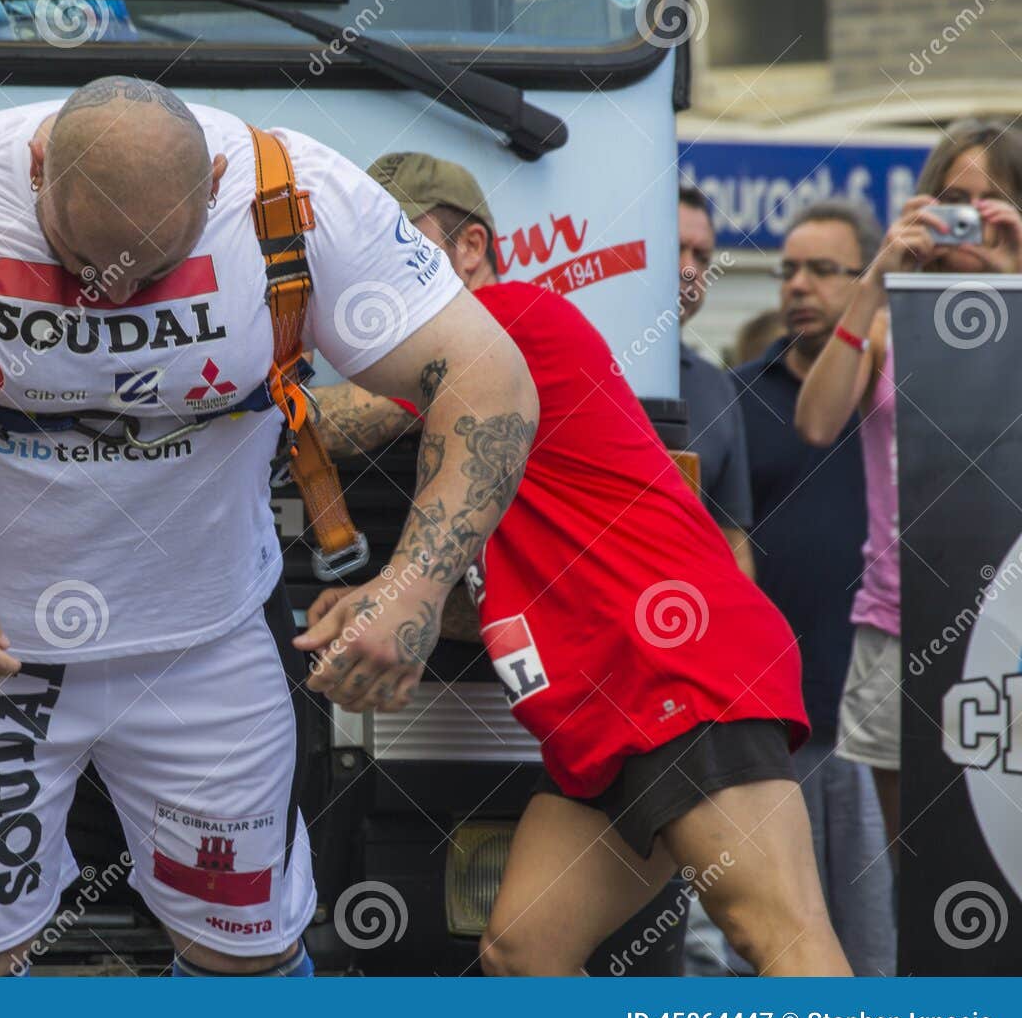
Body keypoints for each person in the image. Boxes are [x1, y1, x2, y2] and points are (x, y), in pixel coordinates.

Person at [0, 78, 536, 977]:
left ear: (216, 182)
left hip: (211, 652)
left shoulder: (300, 196)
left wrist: (415, 584)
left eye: (152, 270)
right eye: (86, 259)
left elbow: (491, 381)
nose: (115, 293)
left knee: (246, 962)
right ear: (36, 166)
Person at [303, 151, 850, 976]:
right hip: (602, 708)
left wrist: (231, 386)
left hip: (674, 670)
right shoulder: (471, 384)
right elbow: (496, 590)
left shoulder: (508, 316)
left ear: (472, 251)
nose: (371, 281)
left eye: (395, 249)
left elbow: (330, 425)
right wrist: (376, 600)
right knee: (522, 948)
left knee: (779, 937)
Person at [794, 120, 1022, 852]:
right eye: (955, 199)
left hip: (1010, 630)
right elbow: (817, 422)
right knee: (919, 865)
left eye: (995, 201)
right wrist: (876, 276)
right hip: (900, 622)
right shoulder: (892, 322)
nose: (972, 217)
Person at [731, 200, 896, 976]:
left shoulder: (903, 391)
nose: (798, 285)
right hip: (771, 724)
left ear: (868, 279)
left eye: (822, 270)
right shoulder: (735, 398)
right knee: (778, 948)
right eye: (787, 269)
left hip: (873, 718)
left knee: (876, 942)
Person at [677, 185, 755, 577]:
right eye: (674, 249)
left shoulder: (716, 388)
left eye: (702, 257)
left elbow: (732, 544)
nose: (689, 269)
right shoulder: (580, 362)